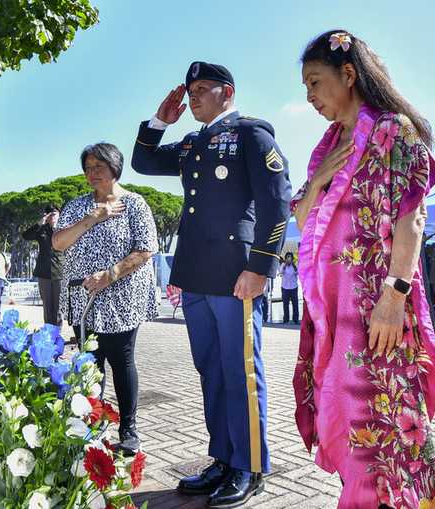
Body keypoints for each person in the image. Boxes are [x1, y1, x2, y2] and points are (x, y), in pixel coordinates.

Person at [289, 30, 435, 508]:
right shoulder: (327, 147)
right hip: (334, 315)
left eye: (315, 82)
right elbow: (301, 219)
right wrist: (319, 180)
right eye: (305, 87)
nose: (309, 96)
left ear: (348, 74)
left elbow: (412, 217)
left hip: (379, 307)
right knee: (350, 417)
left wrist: (394, 296)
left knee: (391, 419)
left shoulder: (392, 130)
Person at [131, 61, 291, 505]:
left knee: (241, 372)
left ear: (228, 92)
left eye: (203, 88)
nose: (194, 96)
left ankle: (250, 466)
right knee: (212, 371)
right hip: (196, 272)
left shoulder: (250, 134)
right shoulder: (192, 142)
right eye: (190, 90)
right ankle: (223, 458)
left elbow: (276, 202)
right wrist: (160, 121)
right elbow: (143, 162)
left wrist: (260, 267)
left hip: (236, 273)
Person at [52, 142, 158, 455]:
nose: (92, 173)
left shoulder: (135, 204)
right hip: (81, 298)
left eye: (99, 166)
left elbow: (145, 249)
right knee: (89, 363)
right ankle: (92, 427)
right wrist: (94, 217)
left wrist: (109, 275)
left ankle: (128, 429)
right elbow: (58, 242)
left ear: (115, 167)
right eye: (88, 168)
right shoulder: (77, 206)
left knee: (121, 360)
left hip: (122, 298)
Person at [22, 205, 65, 325]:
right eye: (49, 214)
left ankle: (57, 331)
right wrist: (39, 223)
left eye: (54, 214)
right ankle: (48, 331)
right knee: (47, 306)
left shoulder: (64, 228)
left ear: (59, 215)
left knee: (58, 306)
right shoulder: (42, 229)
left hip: (60, 271)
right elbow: (26, 236)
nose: (52, 217)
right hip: (44, 272)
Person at [279, 252, 300, 324]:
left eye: (290, 257)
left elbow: (298, 272)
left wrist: (294, 266)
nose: (289, 259)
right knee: (285, 304)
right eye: (287, 257)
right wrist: (284, 266)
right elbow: (280, 273)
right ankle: (286, 320)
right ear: (285, 258)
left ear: (292, 258)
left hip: (293, 287)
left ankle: (295, 320)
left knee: (295, 304)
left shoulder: (295, 265)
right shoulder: (283, 265)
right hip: (285, 288)